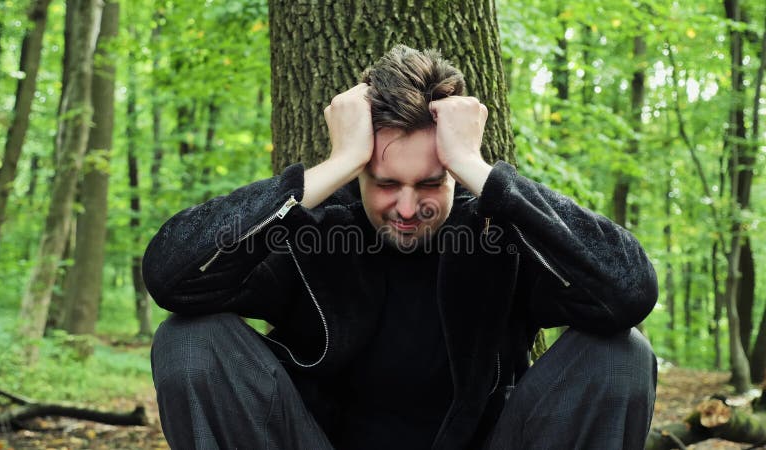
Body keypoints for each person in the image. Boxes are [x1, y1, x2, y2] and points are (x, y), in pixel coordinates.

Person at [144, 45, 659, 450]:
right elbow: (172, 277)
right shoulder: (314, 228)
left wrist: (484, 173)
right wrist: (330, 168)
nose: (408, 209)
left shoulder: (495, 232)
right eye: (386, 183)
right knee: (188, 341)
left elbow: (628, 292)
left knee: (619, 352)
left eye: (431, 183)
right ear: (359, 172)